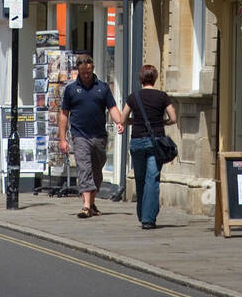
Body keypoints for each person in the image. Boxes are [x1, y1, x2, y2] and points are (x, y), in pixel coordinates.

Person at [58, 54, 123, 218]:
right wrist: (63, 139)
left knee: (96, 171)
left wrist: (119, 122)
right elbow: (64, 114)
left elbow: (112, 108)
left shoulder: (103, 87)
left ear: (92, 69)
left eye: (88, 72)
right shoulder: (71, 89)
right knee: (84, 168)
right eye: (83, 72)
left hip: (99, 136)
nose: (86, 75)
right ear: (78, 71)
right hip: (80, 135)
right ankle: (86, 206)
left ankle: (92, 203)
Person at [120, 64, 176, 230]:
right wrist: (162, 122)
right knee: (152, 179)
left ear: (141, 79)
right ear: (155, 78)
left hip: (137, 141)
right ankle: (148, 218)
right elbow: (173, 118)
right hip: (155, 141)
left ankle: (142, 213)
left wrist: (132, 121)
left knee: (140, 179)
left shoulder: (133, 97)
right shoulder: (162, 96)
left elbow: (123, 119)